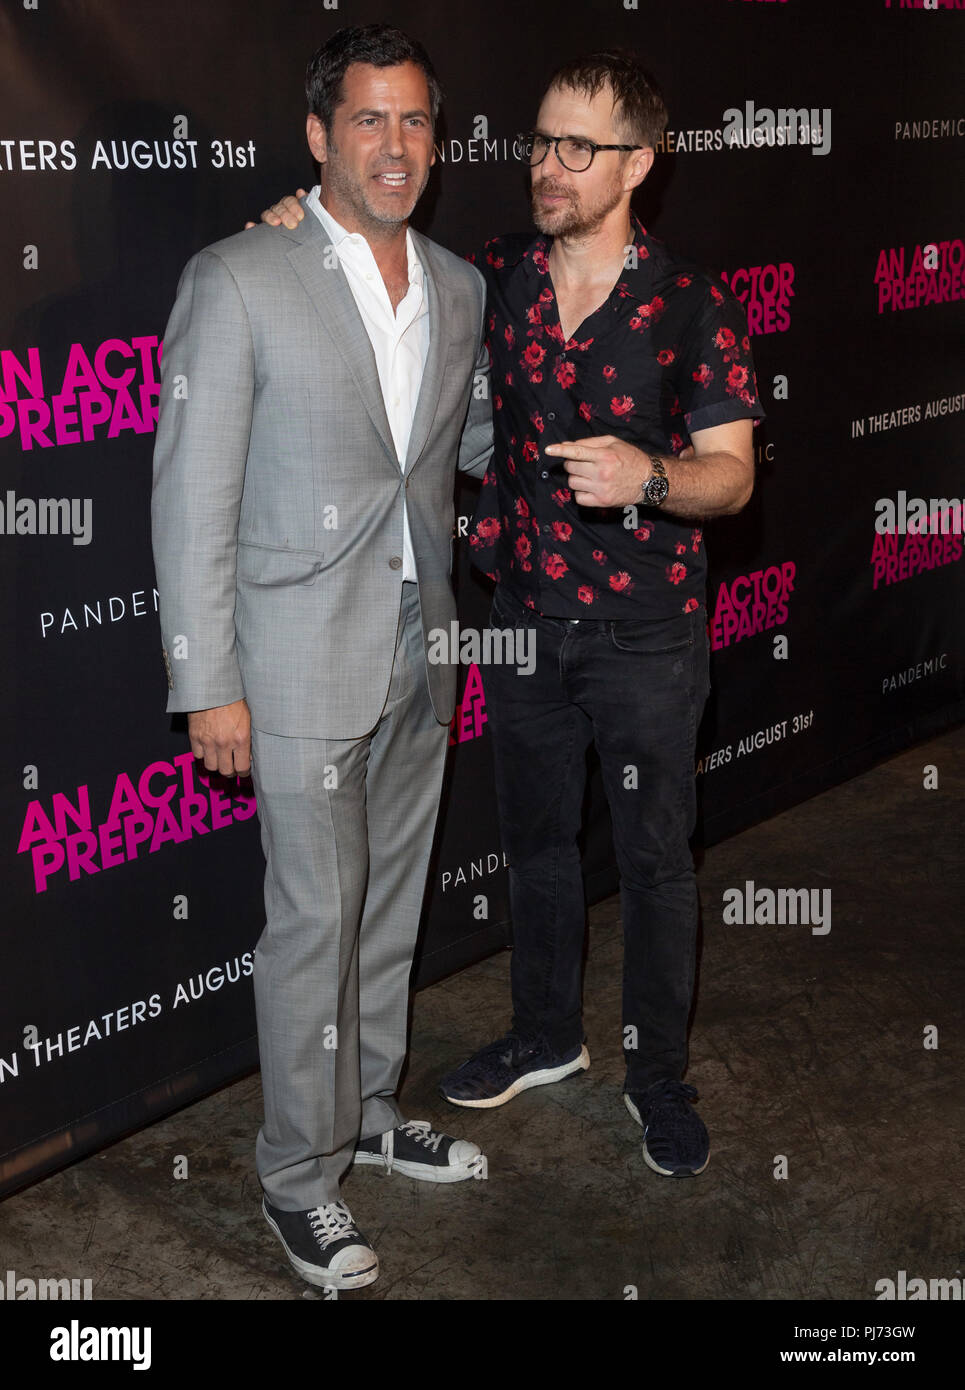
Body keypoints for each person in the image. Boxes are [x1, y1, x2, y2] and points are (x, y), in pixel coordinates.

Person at [259, 49, 762, 1181]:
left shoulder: (690, 305)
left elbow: (731, 477)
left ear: (638, 162)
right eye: (541, 141)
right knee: (534, 847)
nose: (548, 166)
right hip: (520, 622)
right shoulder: (491, 278)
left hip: (646, 636)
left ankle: (656, 1078)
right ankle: (543, 1035)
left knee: (653, 861)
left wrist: (649, 475)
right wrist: (299, 217)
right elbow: (361, 268)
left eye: (578, 148)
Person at [151, 24, 493, 1293]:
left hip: (420, 648)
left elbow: (465, 451)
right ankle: (299, 1176)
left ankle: (366, 1109)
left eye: (414, 123)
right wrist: (208, 681)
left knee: (387, 904)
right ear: (317, 136)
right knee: (313, 922)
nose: (394, 146)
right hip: (290, 666)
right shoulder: (240, 274)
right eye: (368, 120)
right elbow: (191, 496)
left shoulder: (458, 287)